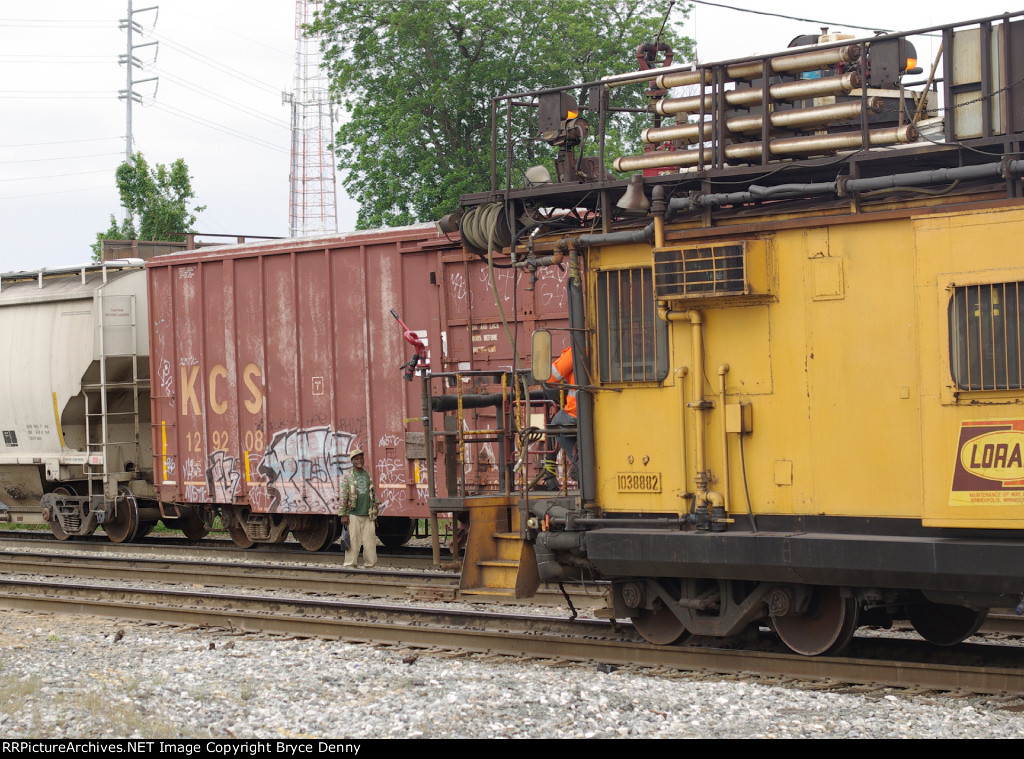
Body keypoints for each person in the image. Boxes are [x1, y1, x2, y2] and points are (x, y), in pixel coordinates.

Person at [543, 344, 578, 487]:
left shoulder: (578, 348)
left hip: (577, 411)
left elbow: (552, 377)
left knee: (556, 424)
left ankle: (579, 464)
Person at [338, 448, 379, 568]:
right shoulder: (348, 476)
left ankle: (370, 564)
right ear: (352, 461)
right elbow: (343, 495)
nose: (359, 460)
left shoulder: (367, 475)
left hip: (368, 514)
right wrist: (343, 514)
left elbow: (372, 492)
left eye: (361, 458)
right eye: (356, 459)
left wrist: (376, 506)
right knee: (353, 541)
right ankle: (350, 564)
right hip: (353, 513)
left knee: (370, 541)